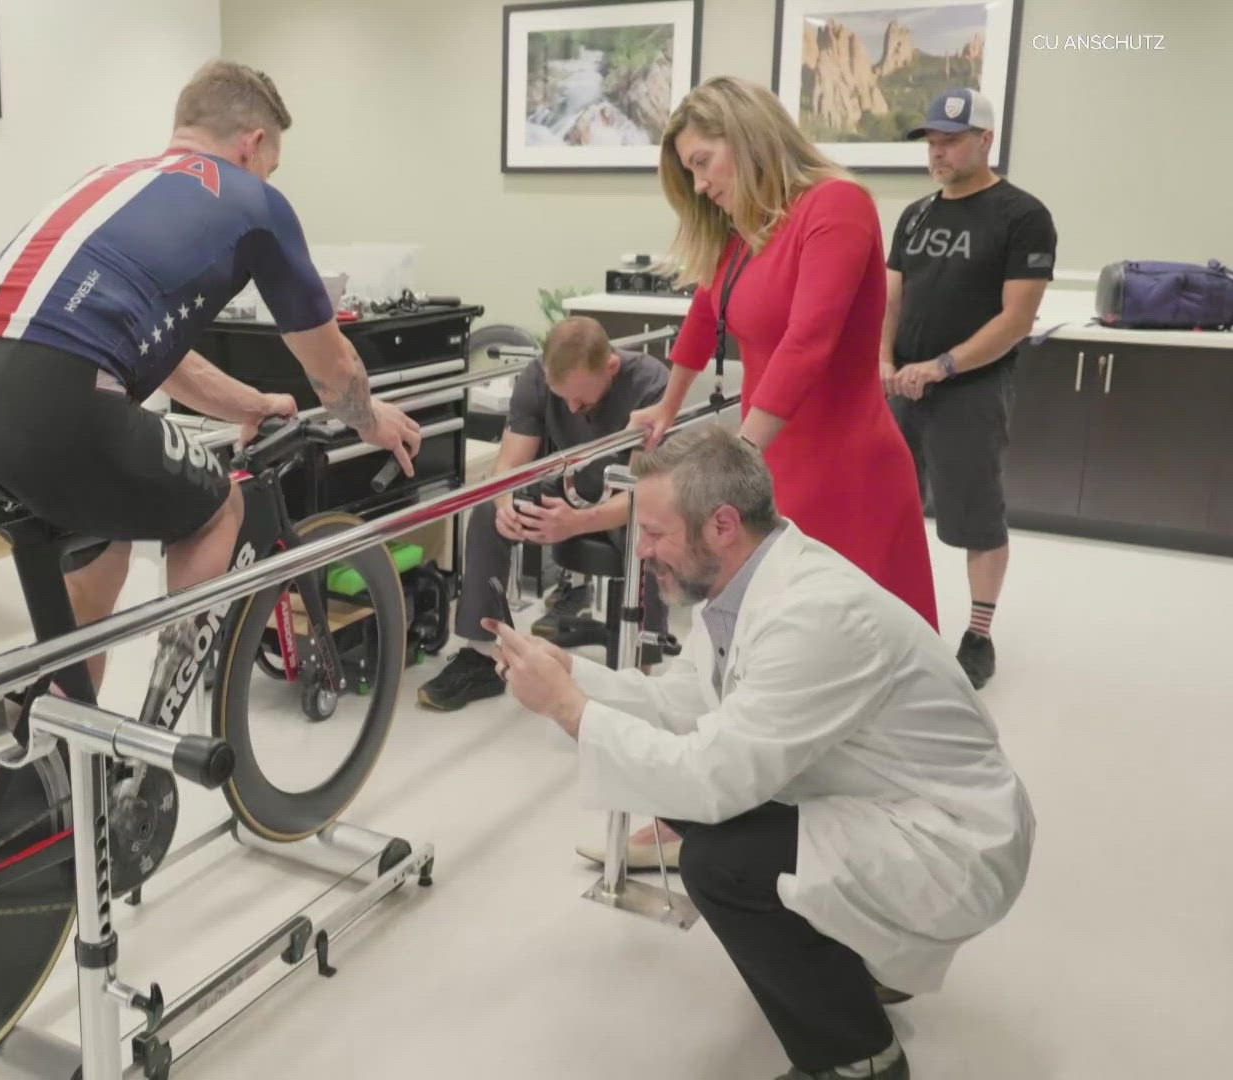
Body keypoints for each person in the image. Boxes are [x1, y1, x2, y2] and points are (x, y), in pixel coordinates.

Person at [487, 425, 1034, 1080]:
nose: (643, 550)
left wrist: (567, 710)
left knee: (723, 863)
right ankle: (850, 964)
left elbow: (713, 778)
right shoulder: (745, 589)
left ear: (721, 525)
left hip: (952, 841)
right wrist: (572, 678)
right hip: (884, 801)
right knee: (705, 822)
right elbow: (683, 708)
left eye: (656, 533)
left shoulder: (814, 613)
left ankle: (859, 1059)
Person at [0, 60, 421, 695]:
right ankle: (160, 725)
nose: (267, 175)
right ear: (253, 142)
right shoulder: (256, 203)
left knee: (97, 564)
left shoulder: (108, 179)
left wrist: (250, 403)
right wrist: (370, 419)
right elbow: (332, 367)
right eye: (271, 162)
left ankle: (68, 767)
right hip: (57, 412)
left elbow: (153, 354)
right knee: (217, 507)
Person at [599, 75, 942, 874]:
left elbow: (810, 342)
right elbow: (702, 317)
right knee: (743, 647)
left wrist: (734, 455)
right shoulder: (743, 230)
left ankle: (873, 839)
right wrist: (667, 404)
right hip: (772, 465)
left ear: (748, 138)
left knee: (842, 664)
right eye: (690, 173)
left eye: (706, 161)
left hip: (844, 468)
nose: (703, 183)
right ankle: (713, 811)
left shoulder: (836, 205)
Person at [885, 89, 1057, 689]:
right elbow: (893, 296)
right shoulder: (916, 215)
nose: (938, 152)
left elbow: (1016, 320)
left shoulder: (1021, 215)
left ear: (986, 140)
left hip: (970, 390)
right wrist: (883, 359)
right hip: (900, 388)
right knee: (890, 507)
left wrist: (942, 366)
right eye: (931, 141)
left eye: (951, 140)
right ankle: (891, 622)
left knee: (974, 517)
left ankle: (978, 634)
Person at [418, 316, 667, 711]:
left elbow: (644, 493)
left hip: (629, 500)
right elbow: (509, 469)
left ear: (611, 367)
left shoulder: (650, 383)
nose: (571, 409)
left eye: (582, 402)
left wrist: (579, 521)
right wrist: (504, 505)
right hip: (569, 487)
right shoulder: (535, 378)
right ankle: (482, 657)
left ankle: (639, 676)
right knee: (486, 512)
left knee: (655, 534)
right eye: (562, 398)